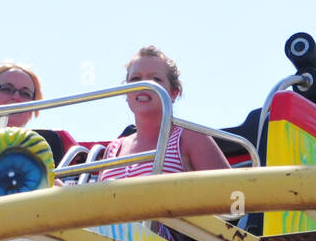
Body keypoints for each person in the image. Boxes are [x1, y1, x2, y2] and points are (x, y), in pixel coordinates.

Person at [98, 46, 230, 181]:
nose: (144, 85)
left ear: (173, 93)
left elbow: (231, 191)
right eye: (135, 79)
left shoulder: (191, 137)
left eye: (155, 79)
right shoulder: (113, 149)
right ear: (126, 92)